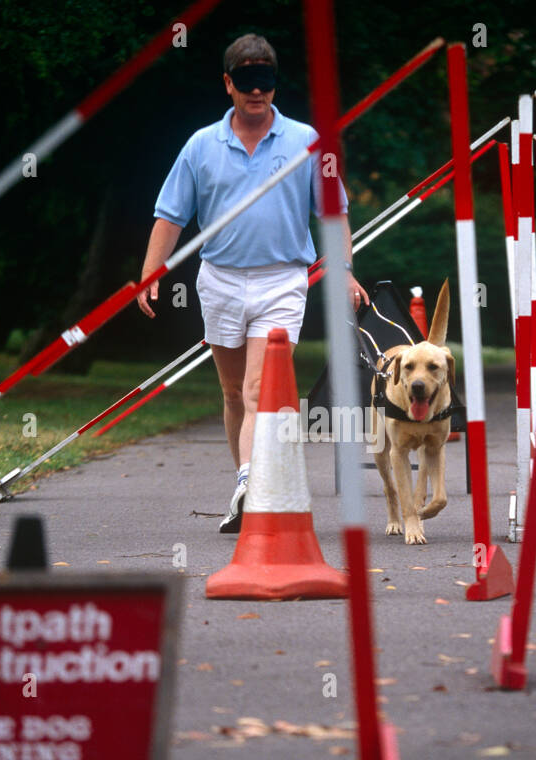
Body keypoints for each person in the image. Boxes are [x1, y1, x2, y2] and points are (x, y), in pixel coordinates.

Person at [136, 33, 365, 533]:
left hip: (282, 280)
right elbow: (170, 216)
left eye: (264, 83)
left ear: (275, 86)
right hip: (218, 280)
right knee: (234, 391)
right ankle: (247, 480)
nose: (256, 93)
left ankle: (250, 486)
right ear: (228, 84)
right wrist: (151, 272)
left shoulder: (307, 142)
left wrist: (343, 269)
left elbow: (334, 213)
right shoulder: (201, 146)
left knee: (261, 388)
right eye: (246, 83)